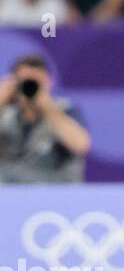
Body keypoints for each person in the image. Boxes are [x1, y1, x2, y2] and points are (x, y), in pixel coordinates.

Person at [0, 54, 91, 183]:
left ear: (49, 82)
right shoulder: (5, 113)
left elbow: (80, 145)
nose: (30, 87)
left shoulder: (65, 110)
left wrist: (48, 107)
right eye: (25, 81)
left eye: (36, 82)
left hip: (56, 192)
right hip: (10, 193)